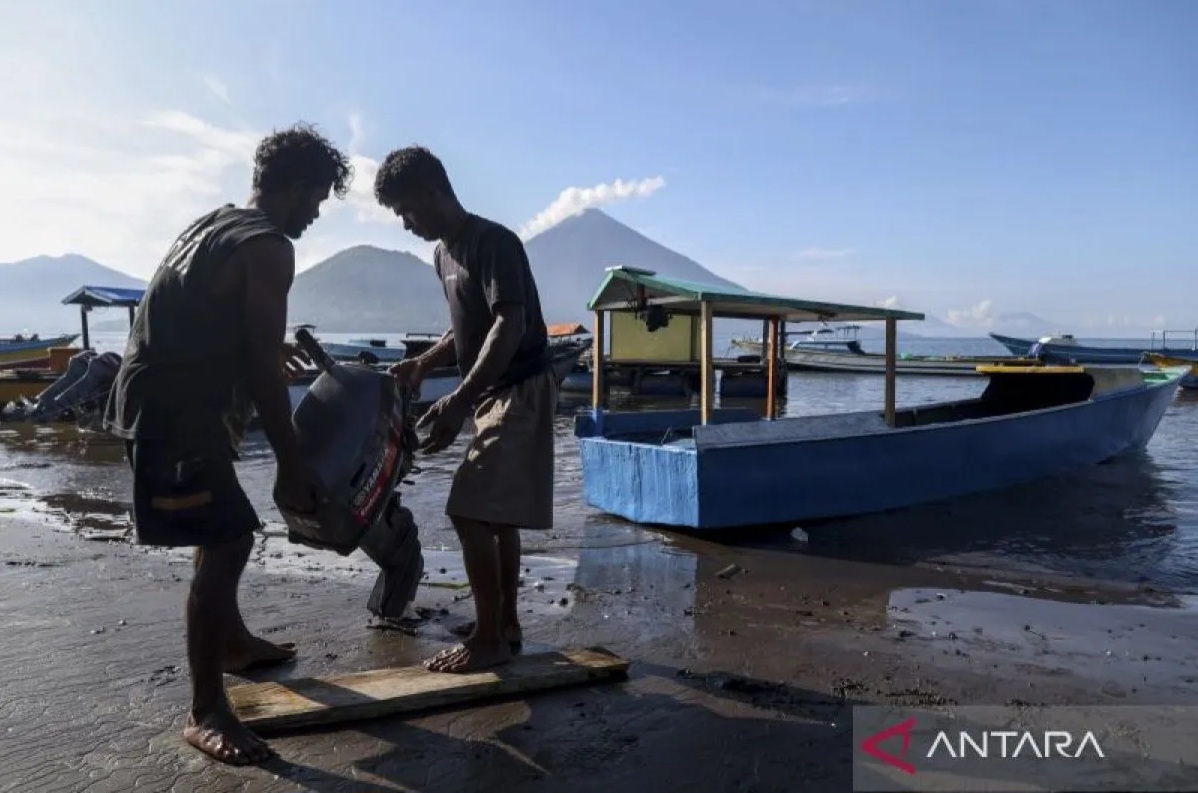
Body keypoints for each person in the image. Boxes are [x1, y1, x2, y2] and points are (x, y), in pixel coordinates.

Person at [102, 122, 352, 765]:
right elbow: (265, 368)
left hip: (158, 400)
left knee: (219, 528)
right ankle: (206, 710)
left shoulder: (213, 224)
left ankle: (234, 641)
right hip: (176, 413)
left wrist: (258, 361)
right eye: (317, 198)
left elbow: (218, 328)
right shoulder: (269, 246)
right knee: (231, 536)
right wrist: (292, 465)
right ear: (294, 188)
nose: (316, 213)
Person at [373, 145, 556, 674]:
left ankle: (489, 638)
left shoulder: (493, 241)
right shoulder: (442, 254)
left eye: (407, 210)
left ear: (434, 192)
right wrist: (425, 364)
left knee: (469, 508)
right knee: (496, 517)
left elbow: (508, 323)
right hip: (492, 392)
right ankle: (505, 624)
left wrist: (459, 400)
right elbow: (466, 327)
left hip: (518, 386)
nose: (406, 224)